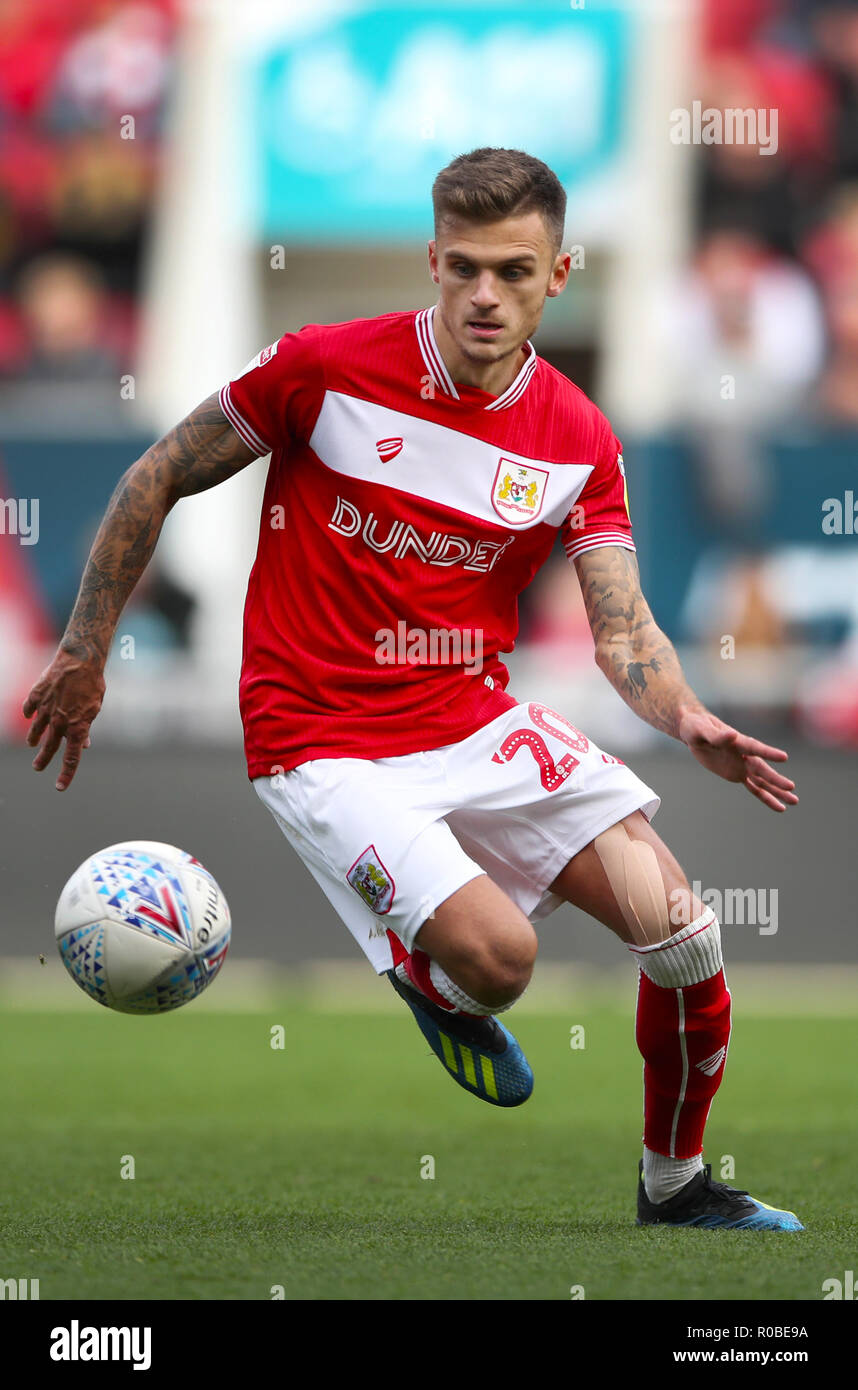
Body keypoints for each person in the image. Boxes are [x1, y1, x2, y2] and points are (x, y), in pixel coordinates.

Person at [23, 148, 802, 1230]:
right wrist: (85, 647)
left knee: (687, 936)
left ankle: (673, 1187)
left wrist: (686, 715)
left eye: (516, 272)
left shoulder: (577, 438)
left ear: (560, 274)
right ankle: (427, 974)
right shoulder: (322, 368)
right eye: (467, 268)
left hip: (470, 715)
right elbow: (156, 471)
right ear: (434, 260)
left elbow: (624, 625)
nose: (488, 295)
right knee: (503, 964)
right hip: (318, 732)